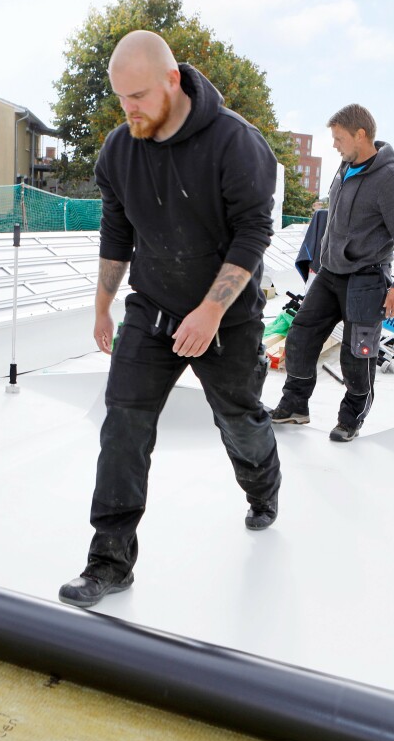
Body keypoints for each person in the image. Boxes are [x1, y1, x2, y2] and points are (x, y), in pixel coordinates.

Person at [57, 30, 282, 609]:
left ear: (172, 81)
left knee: (238, 419)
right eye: (120, 98)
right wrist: (102, 304)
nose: (128, 109)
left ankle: (263, 488)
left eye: (138, 96)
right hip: (152, 308)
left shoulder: (236, 142)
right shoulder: (119, 151)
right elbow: (117, 232)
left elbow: (254, 231)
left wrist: (211, 310)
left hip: (227, 320)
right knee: (123, 426)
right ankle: (109, 561)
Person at [268, 105, 394, 441]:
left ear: (360, 135)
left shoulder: (390, 179)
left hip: (367, 279)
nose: (335, 145)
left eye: (339, 138)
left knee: (357, 354)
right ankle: (295, 405)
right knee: (301, 335)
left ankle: (350, 419)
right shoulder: (345, 167)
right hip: (330, 274)